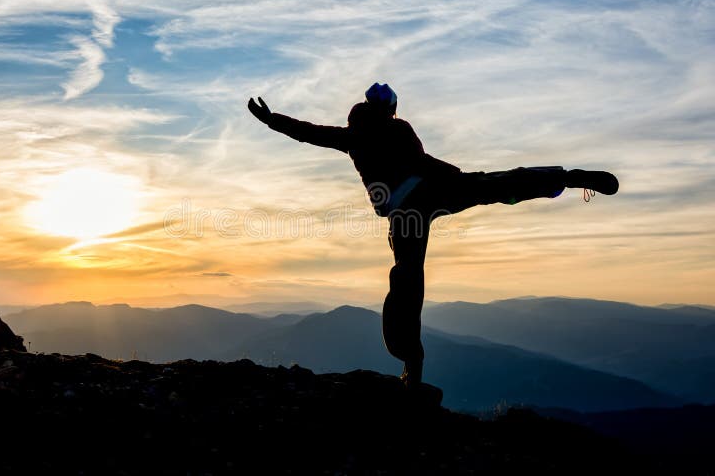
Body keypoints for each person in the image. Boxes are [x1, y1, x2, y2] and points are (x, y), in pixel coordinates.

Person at [247, 83, 618, 388]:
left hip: (405, 212)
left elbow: (307, 132)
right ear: (391, 108)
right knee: (498, 184)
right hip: (434, 190)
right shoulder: (399, 129)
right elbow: (424, 162)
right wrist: (458, 176)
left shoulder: (354, 136)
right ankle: (564, 178)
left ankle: (412, 363)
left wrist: (271, 120)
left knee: (407, 280)